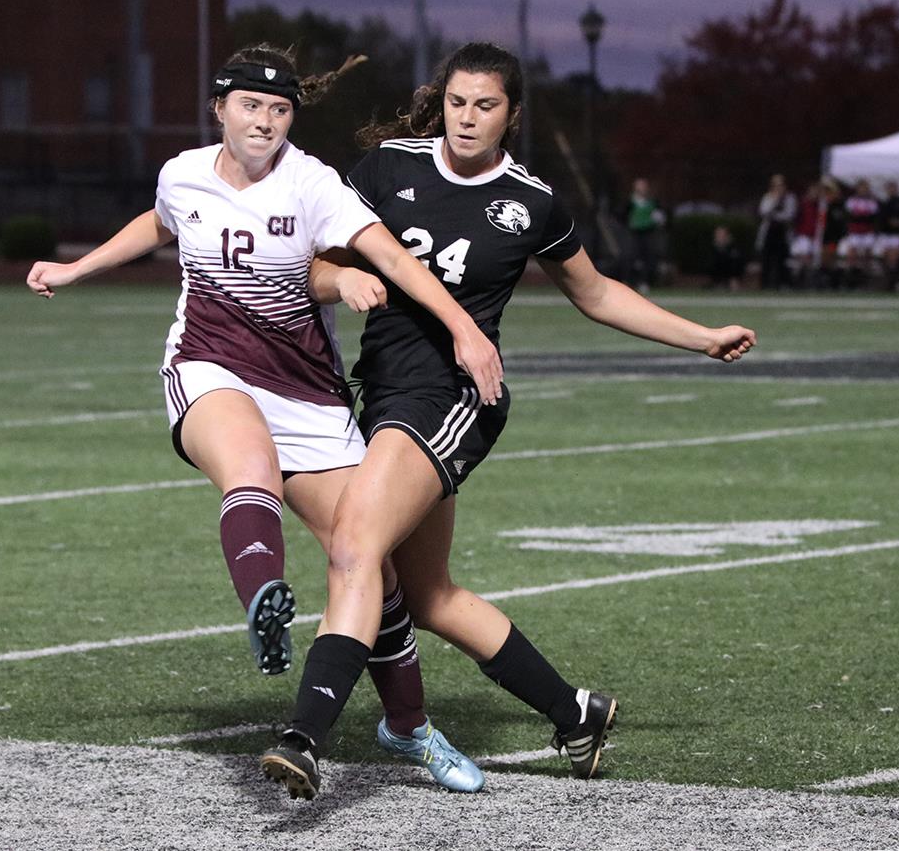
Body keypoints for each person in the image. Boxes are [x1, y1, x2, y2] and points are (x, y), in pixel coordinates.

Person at [258, 42, 755, 800]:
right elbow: (315, 262)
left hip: (454, 399)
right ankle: (575, 711)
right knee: (428, 598)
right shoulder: (389, 168)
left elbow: (597, 294)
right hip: (383, 394)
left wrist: (702, 336)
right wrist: (344, 278)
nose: (467, 118)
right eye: (458, 102)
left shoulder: (531, 202)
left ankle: (304, 738)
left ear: (510, 116)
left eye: (485, 105)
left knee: (355, 548)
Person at [25, 45, 502, 792]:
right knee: (248, 469)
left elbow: (400, 263)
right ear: (220, 108)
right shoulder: (183, 173)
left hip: (308, 391)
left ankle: (409, 727)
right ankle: (264, 602)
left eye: (280, 111)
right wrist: (76, 267)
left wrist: (457, 325)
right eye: (251, 106)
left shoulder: (312, 182)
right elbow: (158, 225)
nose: (265, 122)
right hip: (210, 366)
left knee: (367, 561)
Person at [623, 177, 666, 291]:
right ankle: (630, 281)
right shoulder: (630, 202)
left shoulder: (652, 202)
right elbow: (622, 215)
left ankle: (645, 281)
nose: (641, 188)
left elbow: (661, 215)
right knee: (633, 258)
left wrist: (659, 219)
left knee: (648, 258)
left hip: (648, 233)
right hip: (634, 233)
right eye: (638, 186)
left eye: (643, 186)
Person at [756, 174, 795, 289]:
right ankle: (765, 284)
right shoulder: (768, 197)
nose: (779, 187)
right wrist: (775, 200)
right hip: (769, 232)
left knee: (781, 259)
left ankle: (781, 284)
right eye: (776, 185)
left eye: (781, 185)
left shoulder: (790, 198)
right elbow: (763, 212)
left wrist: (775, 215)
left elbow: (789, 215)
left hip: (782, 232)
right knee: (766, 258)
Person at [875, 181, 899, 291]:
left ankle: (895, 280)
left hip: (898, 235)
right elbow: (879, 219)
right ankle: (888, 279)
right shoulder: (883, 202)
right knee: (885, 255)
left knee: (894, 255)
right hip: (885, 235)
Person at [710, 224, 744, 290]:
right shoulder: (713, 247)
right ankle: (719, 283)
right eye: (718, 234)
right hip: (718, 273)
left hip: (731, 273)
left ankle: (732, 283)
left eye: (722, 234)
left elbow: (737, 261)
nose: (720, 236)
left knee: (734, 261)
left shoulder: (733, 246)